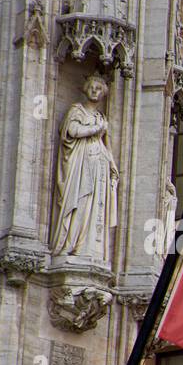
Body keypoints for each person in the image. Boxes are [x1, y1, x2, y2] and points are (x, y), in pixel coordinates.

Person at [52, 74, 119, 264]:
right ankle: (69, 246)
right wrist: (95, 129)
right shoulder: (77, 110)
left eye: (99, 88)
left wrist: (112, 165)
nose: (95, 91)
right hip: (80, 165)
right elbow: (72, 131)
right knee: (79, 203)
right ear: (85, 88)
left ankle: (88, 248)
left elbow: (107, 145)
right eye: (92, 87)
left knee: (94, 207)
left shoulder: (101, 117)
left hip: (99, 167)